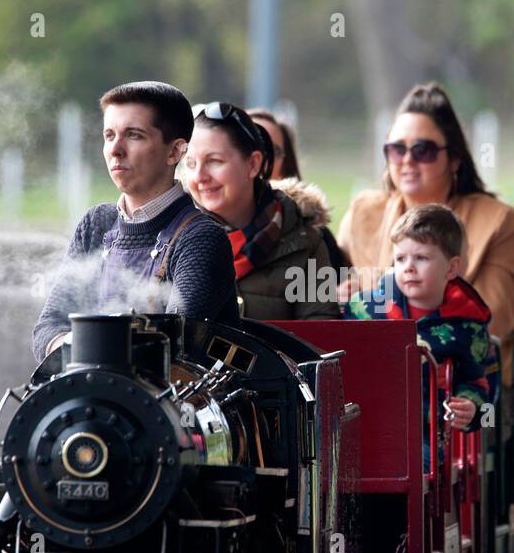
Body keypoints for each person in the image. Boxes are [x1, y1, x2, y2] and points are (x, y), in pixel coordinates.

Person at [32, 82, 239, 363]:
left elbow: (176, 346)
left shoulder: (200, 237)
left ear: (175, 152)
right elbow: (48, 328)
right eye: (109, 135)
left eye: (133, 135)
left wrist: (85, 348)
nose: (115, 150)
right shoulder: (95, 225)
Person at [337, 83, 514, 348]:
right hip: (373, 370)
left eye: (422, 150)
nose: (407, 160)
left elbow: (490, 323)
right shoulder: (361, 214)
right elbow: (334, 302)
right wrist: (343, 298)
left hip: (461, 378)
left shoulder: (500, 223)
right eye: (397, 149)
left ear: (454, 160)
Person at [343, 205, 498, 466]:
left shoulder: (468, 329)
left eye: (422, 258)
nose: (409, 268)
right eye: (401, 259)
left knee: (415, 462)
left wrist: (471, 408)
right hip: (362, 426)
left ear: (451, 268)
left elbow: (484, 390)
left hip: (425, 438)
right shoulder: (364, 309)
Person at [185, 101, 340, 320]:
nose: (200, 176)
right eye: (191, 163)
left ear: (253, 164)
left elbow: (322, 330)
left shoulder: (306, 242)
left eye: (214, 161)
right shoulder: (172, 237)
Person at [248, 106, 346, 277]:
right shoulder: (200, 225)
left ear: (285, 166)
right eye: (249, 145)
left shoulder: (313, 232)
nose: (260, 158)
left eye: (273, 151)